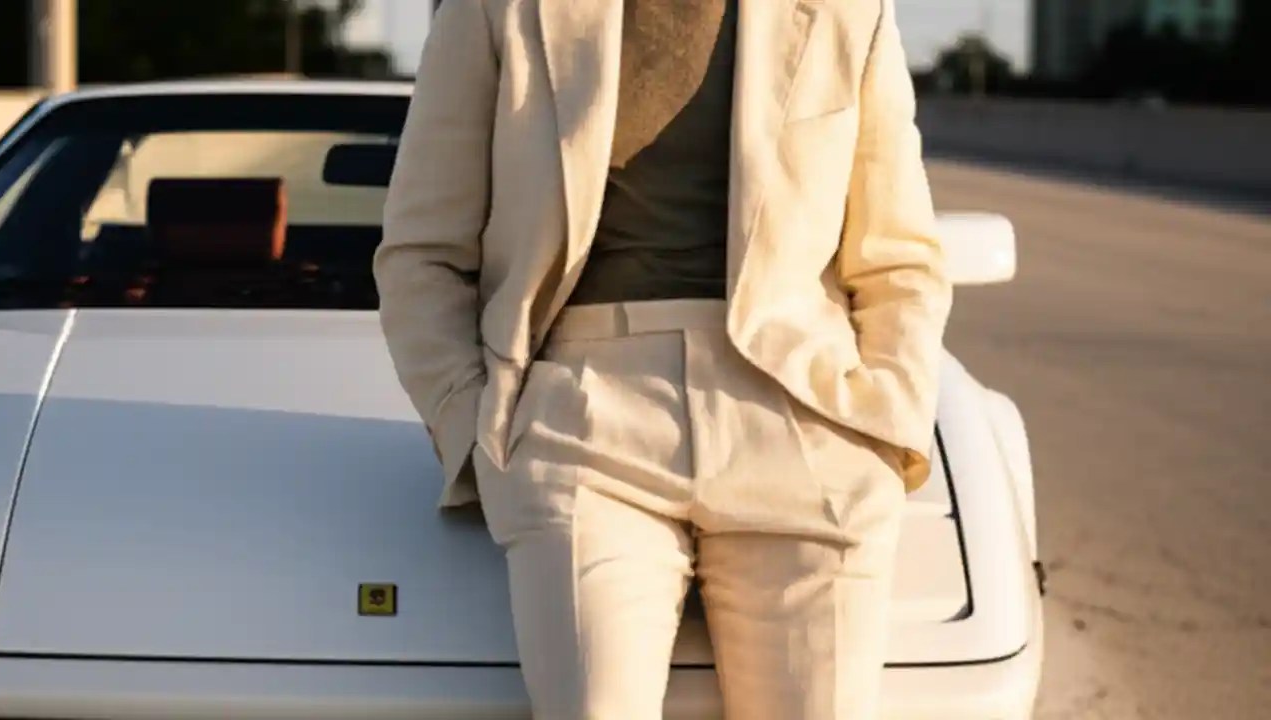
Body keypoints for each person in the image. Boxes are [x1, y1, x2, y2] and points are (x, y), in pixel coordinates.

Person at [374, 0, 951, 717]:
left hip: (803, 415)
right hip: (586, 413)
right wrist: (478, 430)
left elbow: (901, 261)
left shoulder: (848, 10)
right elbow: (421, 253)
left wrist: (884, 419)